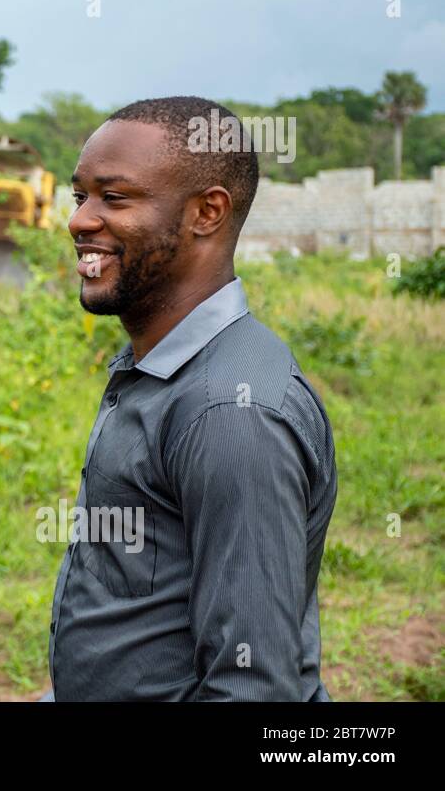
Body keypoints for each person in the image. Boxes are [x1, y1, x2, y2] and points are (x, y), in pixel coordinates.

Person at [44, 96, 337, 701]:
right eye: (80, 198)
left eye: (114, 198)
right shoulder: (157, 369)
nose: (79, 221)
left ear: (207, 212)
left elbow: (252, 690)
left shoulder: (230, 412)